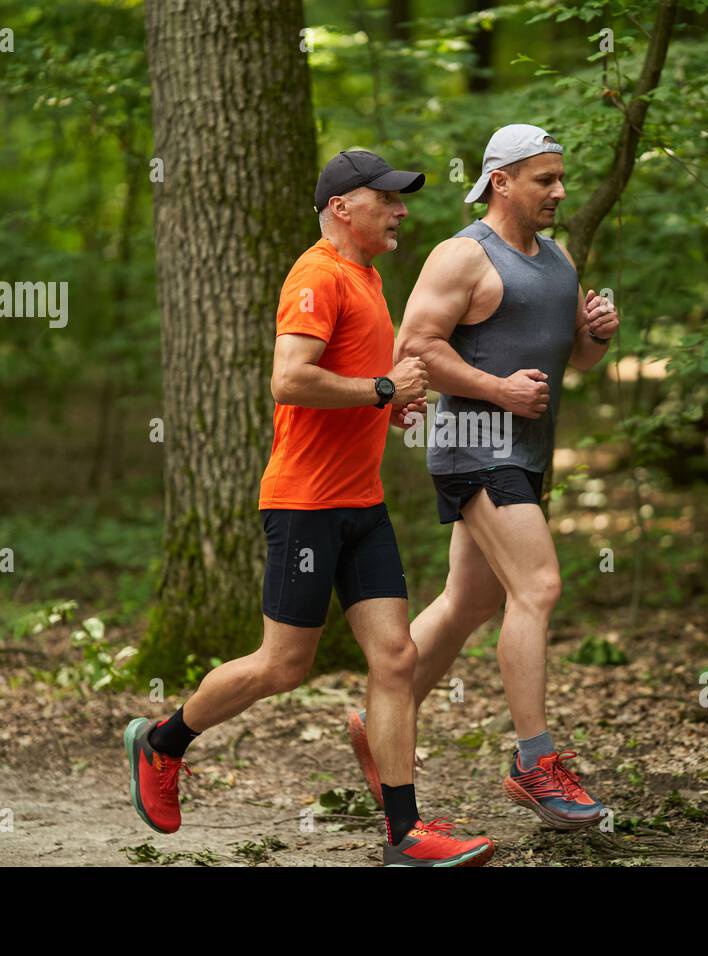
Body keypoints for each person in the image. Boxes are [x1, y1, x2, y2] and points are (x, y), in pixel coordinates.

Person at [125, 149, 494, 867]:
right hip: (306, 505)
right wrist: (384, 390)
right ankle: (162, 742)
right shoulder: (316, 274)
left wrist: (385, 408)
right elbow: (289, 381)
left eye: (400, 198)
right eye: (385, 198)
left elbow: (354, 380)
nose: (400, 209)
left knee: (396, 656)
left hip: (364, 503)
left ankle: (404, 834)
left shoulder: (368, 277)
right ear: (339, 209)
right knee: (283, 666)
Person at [347, 125, 620, 831]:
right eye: (544, 180)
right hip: (475, 445)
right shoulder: (463, 255)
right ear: (501, 181)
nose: (559, 191)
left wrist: (595, 334)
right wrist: (497, 391)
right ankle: (534, 763)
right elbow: (416, 348)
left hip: (527, 453)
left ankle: (380, 720)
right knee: (539, 586)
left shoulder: (558, 259)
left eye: (562, 179)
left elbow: (575, 367)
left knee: (469, 602)